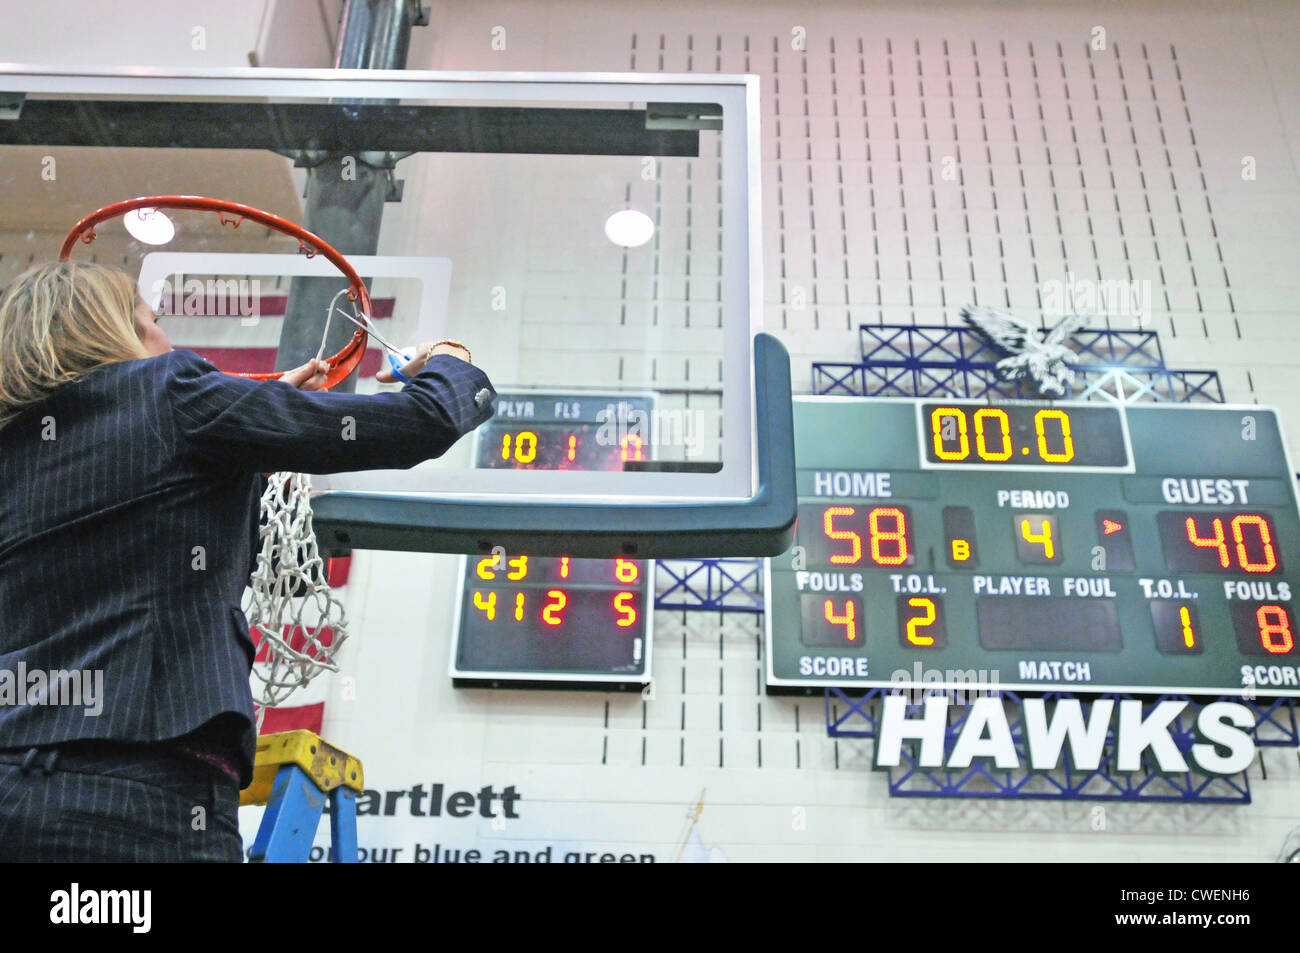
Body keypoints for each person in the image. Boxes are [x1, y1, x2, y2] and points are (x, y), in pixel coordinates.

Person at [0, 260, 495, 862]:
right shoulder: (172, 390)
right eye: (154, 323)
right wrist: (450, 361)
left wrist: (244, 423)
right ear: (114, 331)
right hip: (137, 791)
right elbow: (425, 421)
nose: (167, 340)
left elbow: (149, 522)